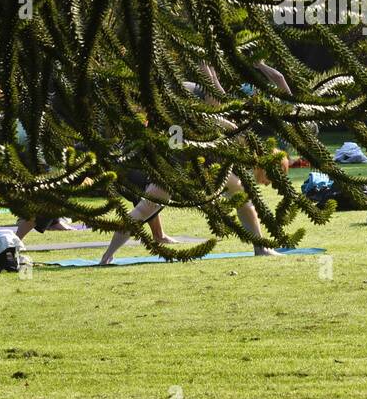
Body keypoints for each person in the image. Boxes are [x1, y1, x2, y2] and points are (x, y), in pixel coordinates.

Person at [99, 64, 280, 264]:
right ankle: (107, 255)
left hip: (192, 151)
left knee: (240, 194)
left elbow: (220, 113)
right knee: (145, 208)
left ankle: (261, 247)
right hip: (178, 157)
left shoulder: (209, 103)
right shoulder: (194, 104)